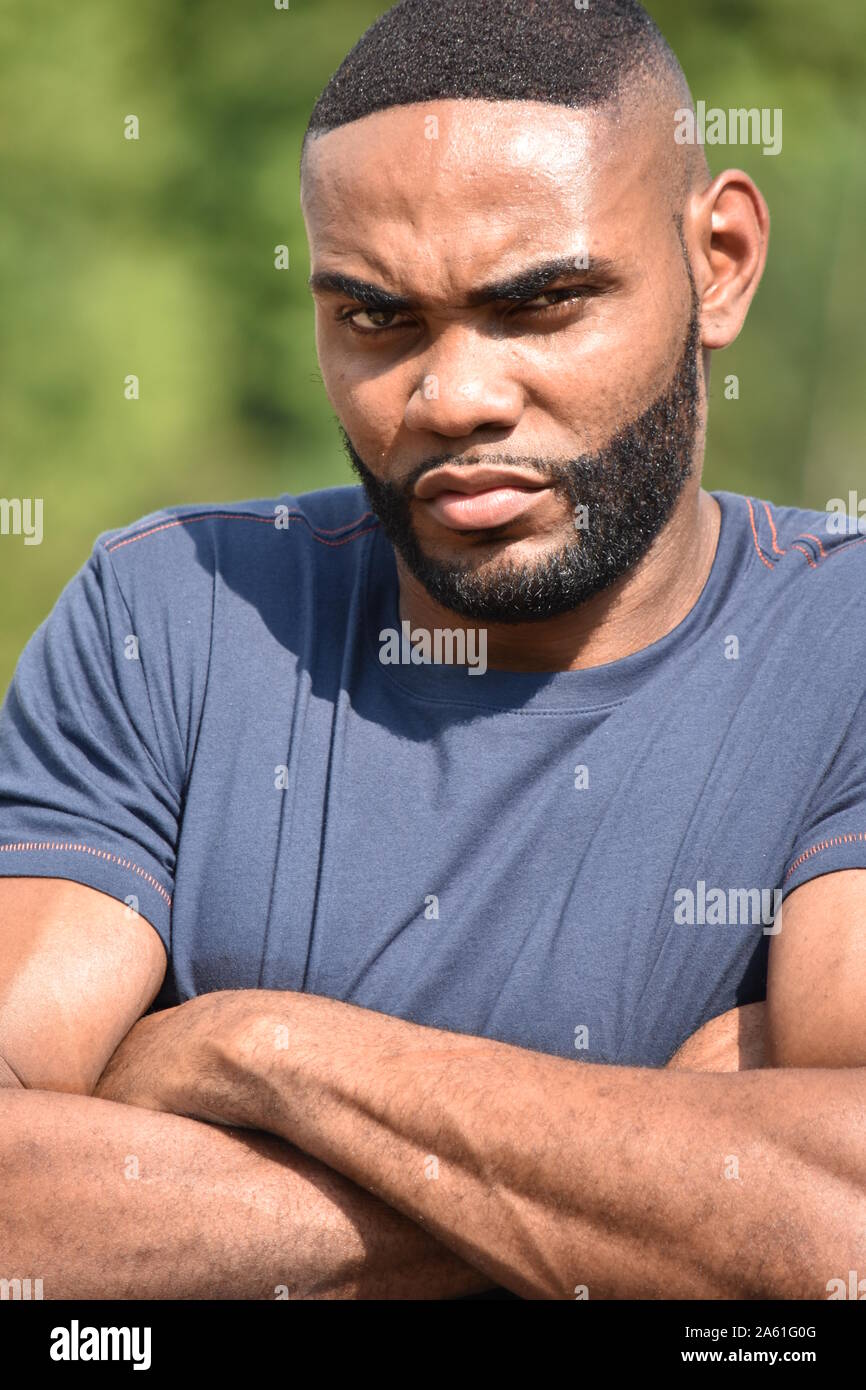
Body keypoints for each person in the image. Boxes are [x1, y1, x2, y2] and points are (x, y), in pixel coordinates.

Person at [1, 0, 864, 1300]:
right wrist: (647, 1175)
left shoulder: (838, 645)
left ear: (721, 262)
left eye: (541, 305)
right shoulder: (168, 613)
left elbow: (839, 1225)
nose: (451, 397)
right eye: (376, 320)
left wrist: (261, 1053)